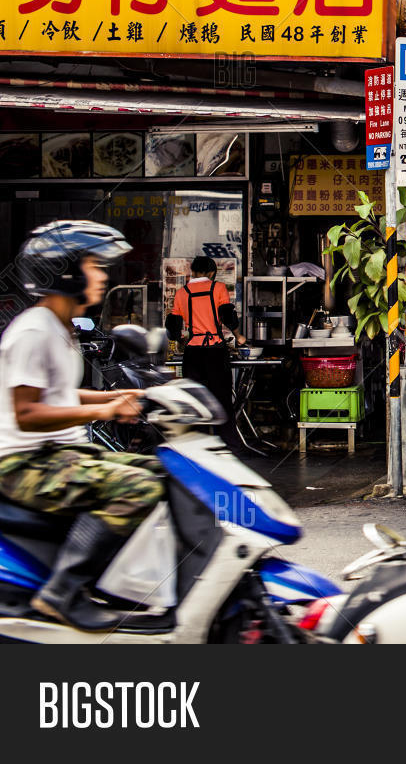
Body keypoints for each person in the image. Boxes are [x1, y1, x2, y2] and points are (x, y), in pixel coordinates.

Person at [0, 221, 162, 631]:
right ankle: (64, 591)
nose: (104, 275)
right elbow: (28, 413)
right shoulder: (34, 330)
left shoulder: (59, 327)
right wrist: (103, 411)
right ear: (65, 271)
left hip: (58, 454)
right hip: (24, 463)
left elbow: (60, 396)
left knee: (168, 471)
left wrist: (120, 399)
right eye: (95, 265)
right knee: (138, 487)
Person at [167, 255, 241, 450]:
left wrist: (181, 339)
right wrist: (239, 336)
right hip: (215, 350)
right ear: (211, 272)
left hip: (193, 353)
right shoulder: (218, 288)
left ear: (193, 272)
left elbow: (173, 327)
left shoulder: (182, 292)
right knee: (222, 399)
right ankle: (228, 445)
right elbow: (227, 315)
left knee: (194, 400)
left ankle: (196, 446)